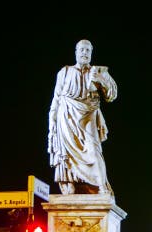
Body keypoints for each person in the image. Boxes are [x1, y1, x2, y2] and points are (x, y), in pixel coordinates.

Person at [48, 39, 118, 196]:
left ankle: (102, 186)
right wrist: (51, 122)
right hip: (66, 117)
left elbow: (112, 94)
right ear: (76, 52)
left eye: (88, 50)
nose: (85, 53)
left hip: (88, 114)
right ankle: (70, 184)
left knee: (93, 150)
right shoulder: (64, 72)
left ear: (91, 53)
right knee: (67, 154)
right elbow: (56, 98)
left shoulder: (98, 71)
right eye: (82, 50)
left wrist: (100, 79)